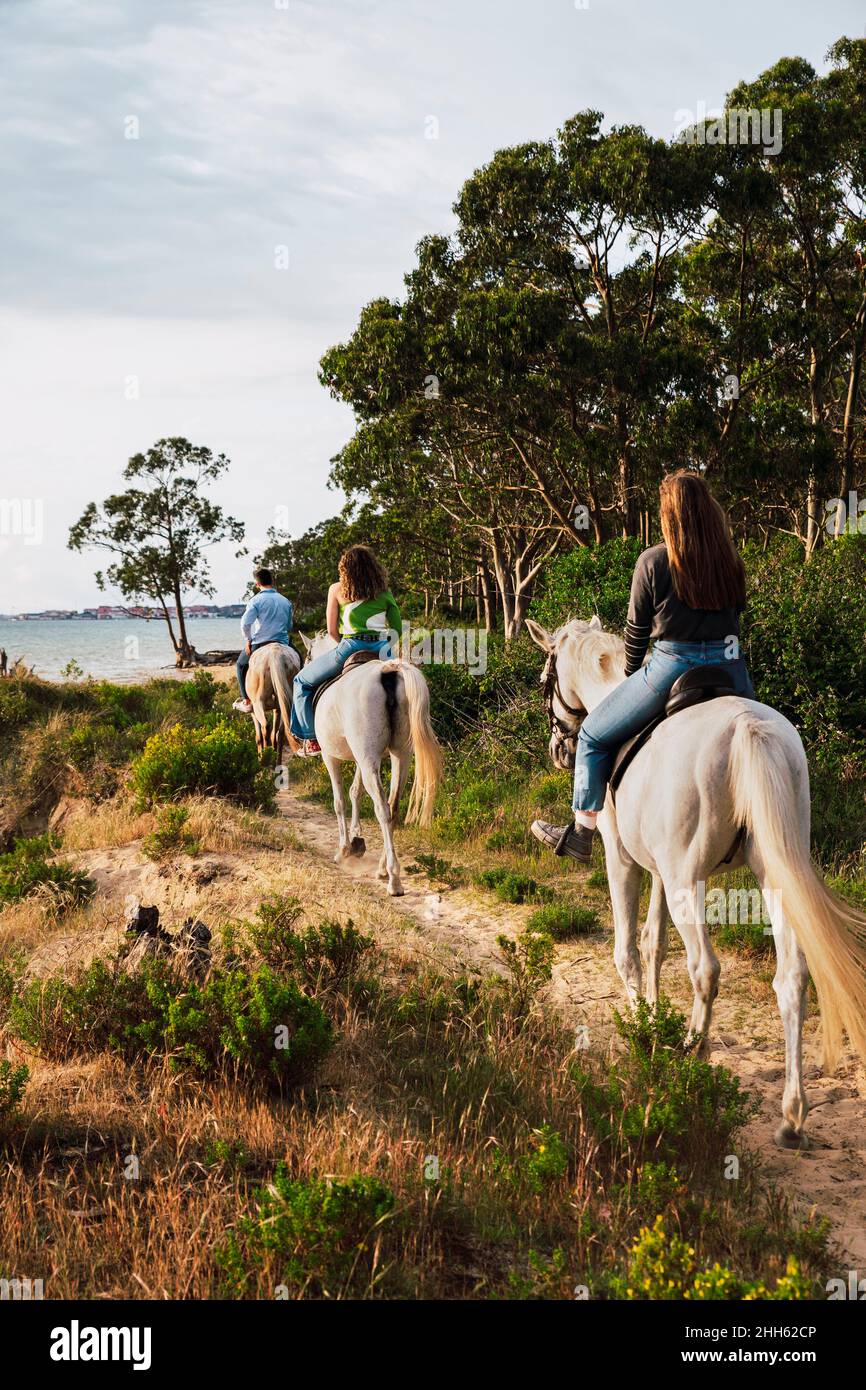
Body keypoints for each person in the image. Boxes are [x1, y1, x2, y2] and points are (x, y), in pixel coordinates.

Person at [531, 469, 756, 862]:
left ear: (670, 515)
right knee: (761, 729)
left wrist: (632, 673)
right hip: (730, 664)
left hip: (672, 666)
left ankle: (582, 831)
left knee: (592, 737)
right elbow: (738, 614)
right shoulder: (730, 560)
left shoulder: (652, 561)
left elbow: (636, 632)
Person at [291, 545, 401, 755]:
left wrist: (347, 642)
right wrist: (383, 645)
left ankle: (310, 738)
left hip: (350, 646)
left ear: (345, 569)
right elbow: (396, 629)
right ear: (373, 567)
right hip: (382, 649)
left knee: (301, 682)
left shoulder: (336, 589)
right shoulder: (384, 592)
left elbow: (332, 631)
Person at [232, 568, 294, 714]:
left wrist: (248, 640)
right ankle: (299, 695)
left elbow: (245, 624)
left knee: (241, 665)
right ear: (271, 581)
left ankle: (246, 700)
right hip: (283, 642)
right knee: (301, 661)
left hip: (261, 642)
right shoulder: (285, 601)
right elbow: (289, 625)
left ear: (257, 583)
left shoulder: (256, 600)